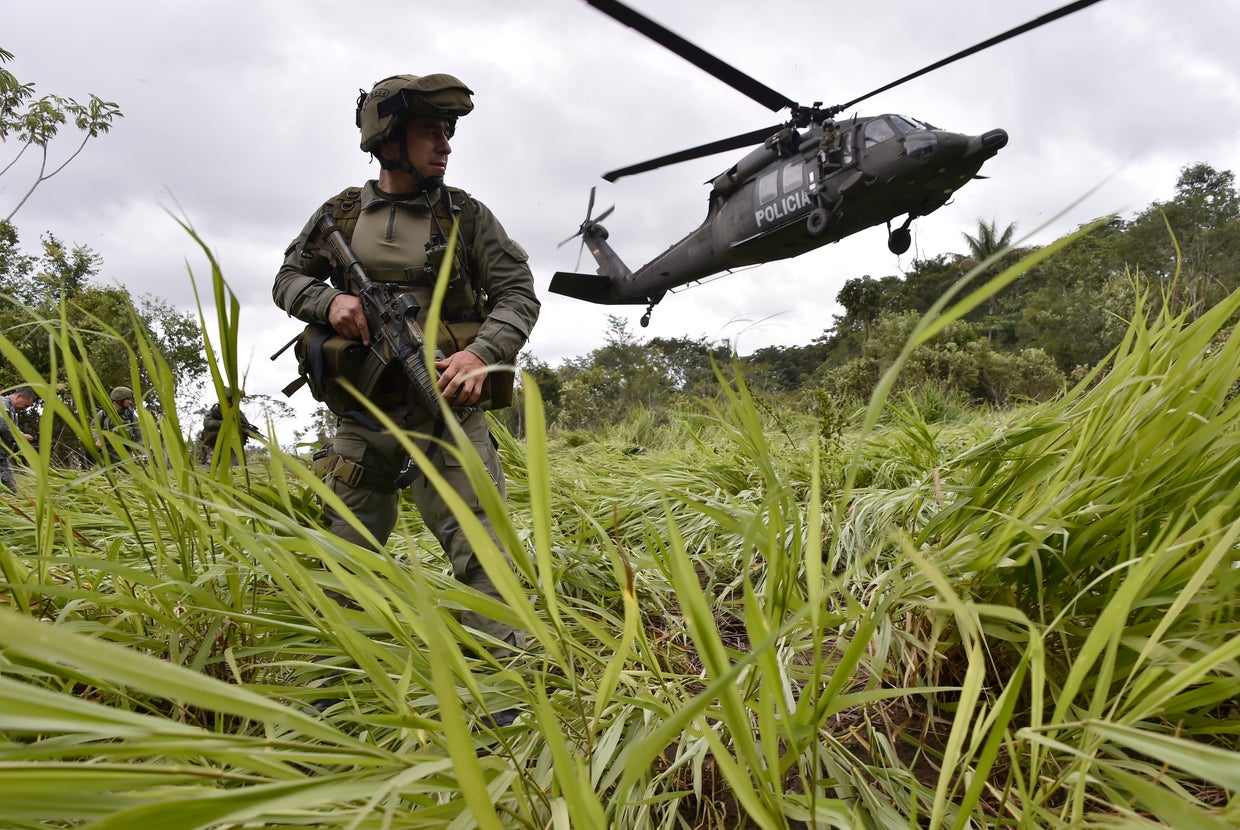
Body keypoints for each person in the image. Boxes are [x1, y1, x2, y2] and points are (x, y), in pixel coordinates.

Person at [273, 74, 540, 663]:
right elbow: (287, 279)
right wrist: (330, 302)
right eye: (430, 131)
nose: (445, 144)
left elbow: (519, 294)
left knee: (481, 549)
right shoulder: (340, 215)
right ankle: (335, 682)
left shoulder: (466, 217)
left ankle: (507, 687)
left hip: (447, 408)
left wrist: (480, 353)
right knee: (345, 549)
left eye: (449, 132)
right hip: (362, 413)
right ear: (389, 138)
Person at [199, 387, 261, 465]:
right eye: (230, 400)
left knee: (236, 470)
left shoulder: (238, 413)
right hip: (214, 443)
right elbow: (207, 423)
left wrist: (253, 434)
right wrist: (225, 423)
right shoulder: (215, 410)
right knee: (210, 468)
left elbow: (245, 427)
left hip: (232, 445)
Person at [0, 386, 38, 492]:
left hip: (2, 458)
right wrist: (22, 436)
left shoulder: (12, 410)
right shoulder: (2, 403)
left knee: (13, 489)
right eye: (26, 405)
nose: (25, 409)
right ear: (19, 396)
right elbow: (3, 426)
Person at [94, 386, 142, 464]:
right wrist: (97, 439)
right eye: (128, 399)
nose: (130, 402)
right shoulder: (103, 415)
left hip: (125, 456)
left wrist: (139, 452)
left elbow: (139, 435)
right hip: (106, 454)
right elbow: (93, 429)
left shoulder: (131, 417)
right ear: (119, 401)